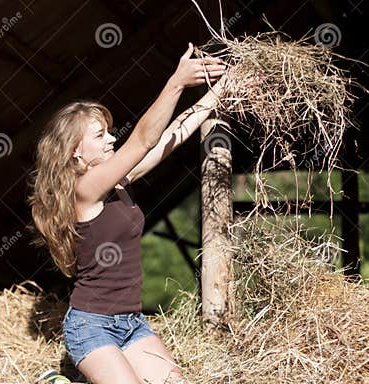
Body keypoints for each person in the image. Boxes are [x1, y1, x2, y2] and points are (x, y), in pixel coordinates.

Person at [28, 43, 226, 384]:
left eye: (109, 131)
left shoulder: (119, 179)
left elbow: (169, 137)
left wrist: (221, 91)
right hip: (91, 326)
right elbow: (142, 141)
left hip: (132, 324)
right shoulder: (84, 191)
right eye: (100, 134)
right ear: (75, 153)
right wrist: (176, 83)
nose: (111, 139)